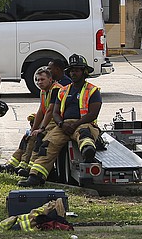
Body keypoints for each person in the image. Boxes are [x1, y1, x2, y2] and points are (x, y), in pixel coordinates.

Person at [19, 54, 102, 187]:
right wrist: (61, 124)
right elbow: (55, 112)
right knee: (46, 145)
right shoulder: (63, 91)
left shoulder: (92, 90)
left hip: (84, 123)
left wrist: (75, 124)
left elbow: (93, 113)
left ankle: (88, 152)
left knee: (85, 135)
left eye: (77, 70)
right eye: (72, 70)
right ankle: (35, 176)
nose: (74, 73)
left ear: (84, 72)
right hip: (63, 126)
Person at [4, 67, 58, 176]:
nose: (39, 82)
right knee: (28, 136)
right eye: (37, 80)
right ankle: (16, 165)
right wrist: (33, 129)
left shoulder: (56, 89)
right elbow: (41, 111)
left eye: (42, 79)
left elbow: (50, 111)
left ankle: (29, 167)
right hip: (47, 121)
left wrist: (41, 129)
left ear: (50, 79)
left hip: (55, 122)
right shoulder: (43, 91)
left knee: (38, 137)